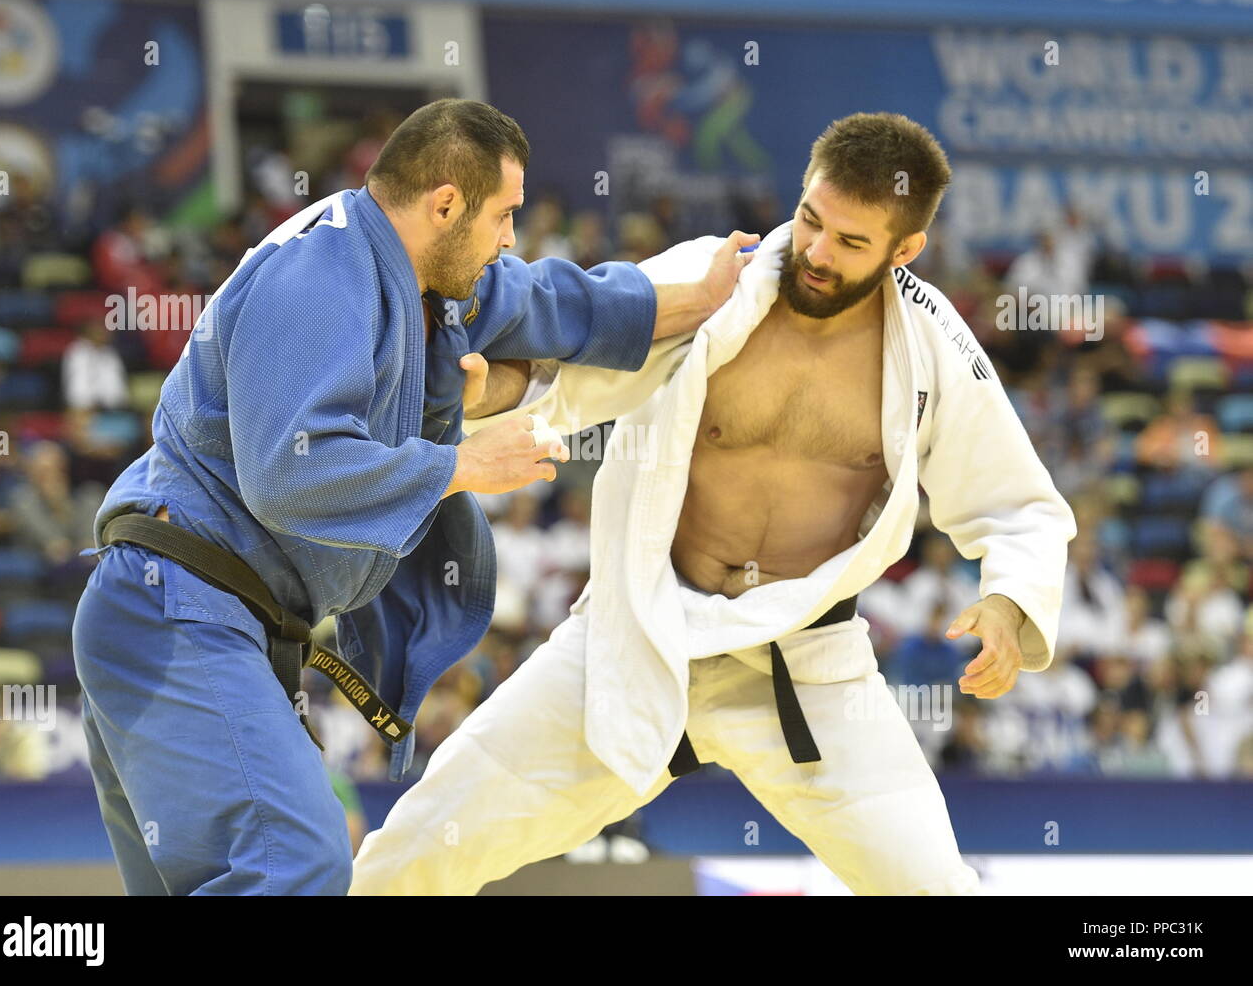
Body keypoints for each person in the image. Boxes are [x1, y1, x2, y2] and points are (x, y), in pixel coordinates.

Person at [350, 112, 1077, 896]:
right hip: (640, 630)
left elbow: (1018, 503)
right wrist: (482, 392)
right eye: (811, 220)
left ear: (905, 252)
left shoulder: (934, 345)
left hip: (804, 665)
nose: (818, 253)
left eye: (852, 243)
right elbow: (575, 372)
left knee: (937, 888)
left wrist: (1007, 603)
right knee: (420, 847)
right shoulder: (714, 276)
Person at [71, 99, 754, 895]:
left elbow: (555, 304)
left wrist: (700, 299)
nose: (509, 239)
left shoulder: (420, 276)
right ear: (445, 204)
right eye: (504, 216)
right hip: (177, 606)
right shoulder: (318, 277)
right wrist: (459, 463)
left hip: (208, 619)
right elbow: (290, 474)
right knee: (296, 865)